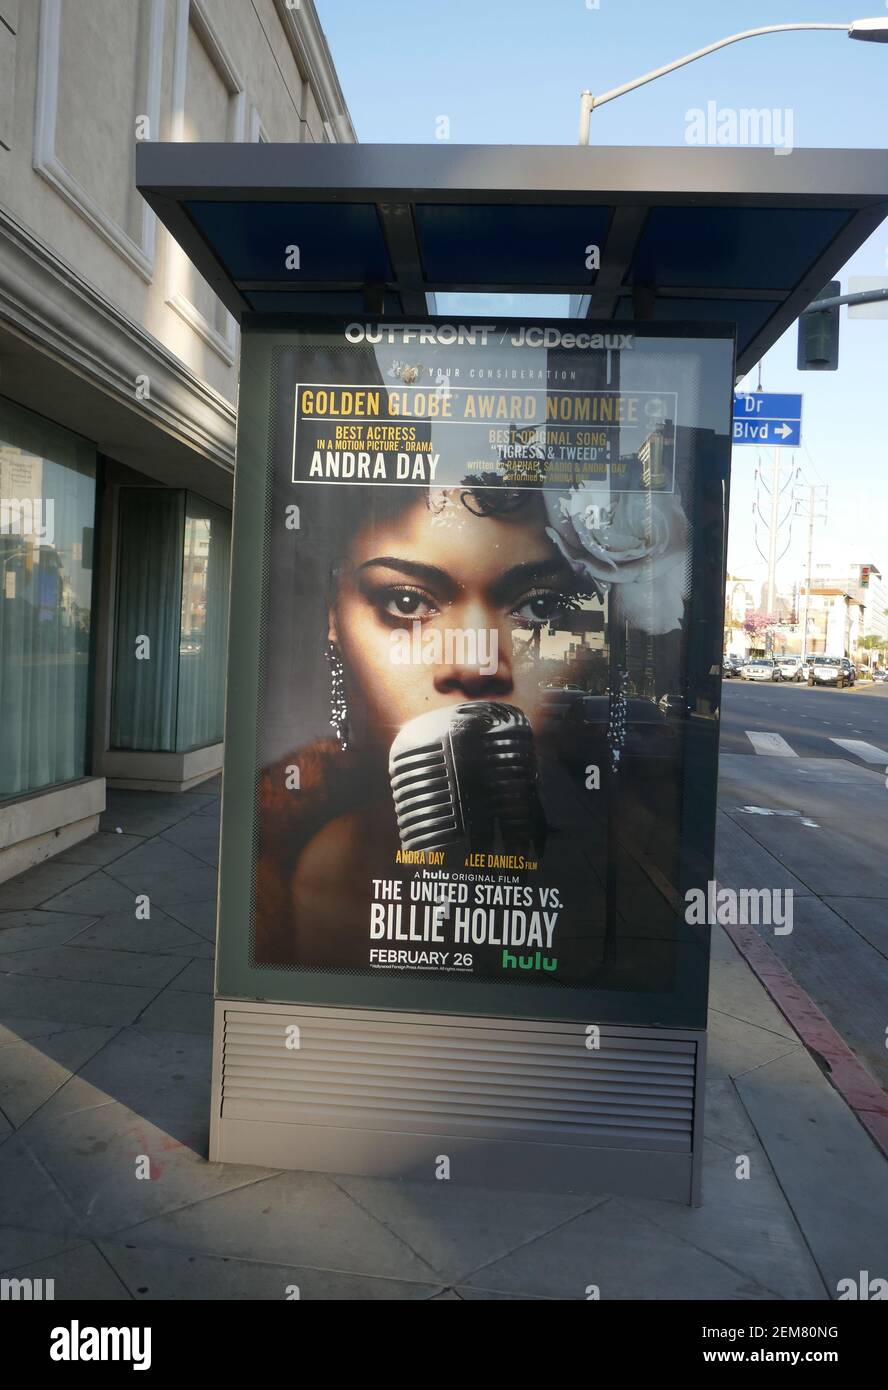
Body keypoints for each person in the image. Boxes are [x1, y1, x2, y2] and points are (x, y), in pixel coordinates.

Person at [254, 481, 597, 968]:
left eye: (538, 608)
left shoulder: (617, 890)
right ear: (335, 619)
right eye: (408, 603)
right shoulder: (265, 875)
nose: (476, 665)